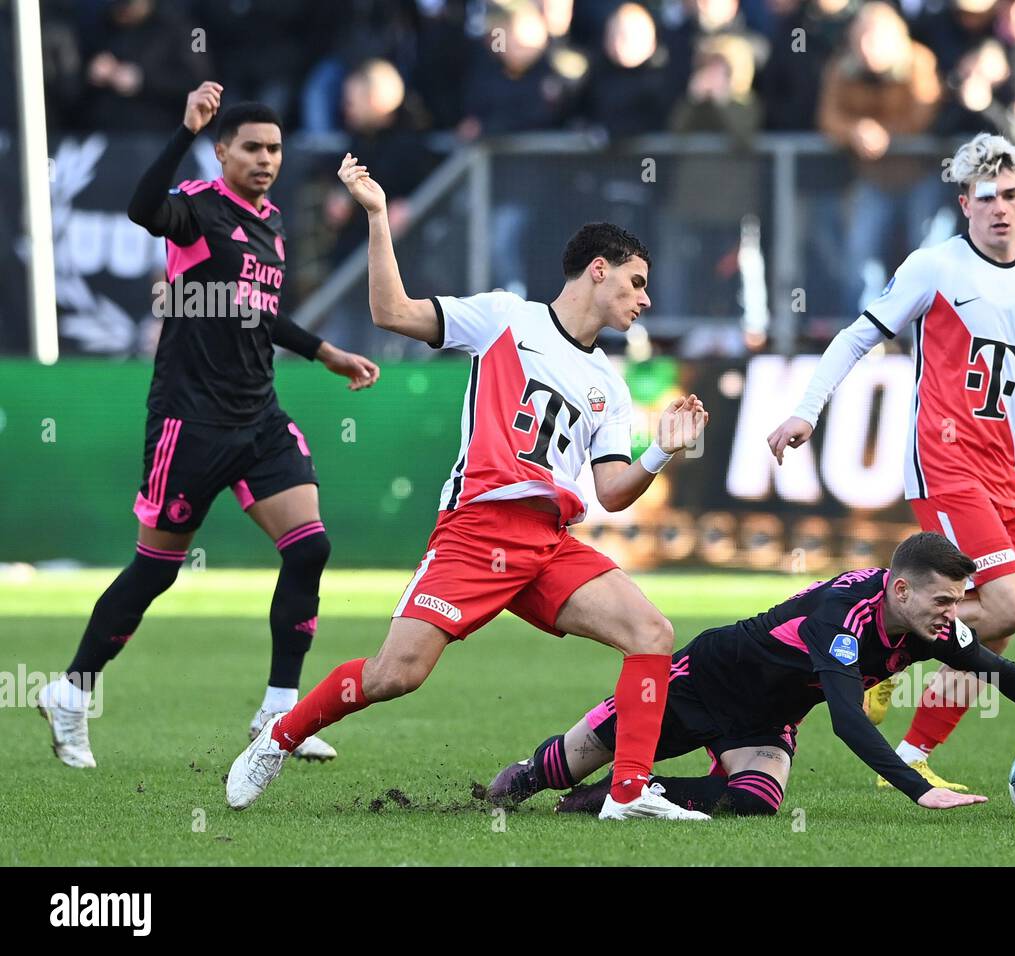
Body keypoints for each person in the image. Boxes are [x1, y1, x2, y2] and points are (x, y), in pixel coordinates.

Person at [226, 159, 712, 821]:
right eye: (636, 281)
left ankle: (627, 794)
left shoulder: (611, 386)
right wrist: (375, 215)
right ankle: (278, 738)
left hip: (548, 541)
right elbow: (390, 311)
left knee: (651, 631)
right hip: (478, 530)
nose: (645, 298)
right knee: (396, 674)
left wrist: (660, 450)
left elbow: (612, 492)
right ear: (598, 268)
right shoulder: (506, 319)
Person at [767, 132, 1015, 790]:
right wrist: (807, 408)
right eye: (985, 197)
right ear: (964, 202)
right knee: (1010, 603)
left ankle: (910, 755)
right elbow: (859, 336)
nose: (998, 207)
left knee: (994, 628)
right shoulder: (935, 268)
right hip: (943, 463)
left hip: (1003, 472)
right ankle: (878, 655)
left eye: (1009, 196)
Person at [37, 82, 380, 768]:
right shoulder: (197, 209)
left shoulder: (272, 225)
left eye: (275, 149)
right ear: (221, 150)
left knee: (309, 547)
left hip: (259, 417)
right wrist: (182, 128)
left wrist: (324, 351)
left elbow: (261, 310)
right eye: (250, 147)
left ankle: (280, 712)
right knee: (154, 571)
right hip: (189, 422)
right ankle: (71, 694)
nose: (265, 159)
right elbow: (141, 209)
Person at [487, 532, 1015, 817]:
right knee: (552, 768)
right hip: (702, 682)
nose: (956, 613)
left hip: (766, 717)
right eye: (946, 600)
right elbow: (845, 718)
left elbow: (1004, 673)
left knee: (754, 803)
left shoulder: (928, 626)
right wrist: (921, 789)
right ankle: (502, 794)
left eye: (959, 600)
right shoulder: (845, 618)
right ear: (901, 591)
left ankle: (616, 799)